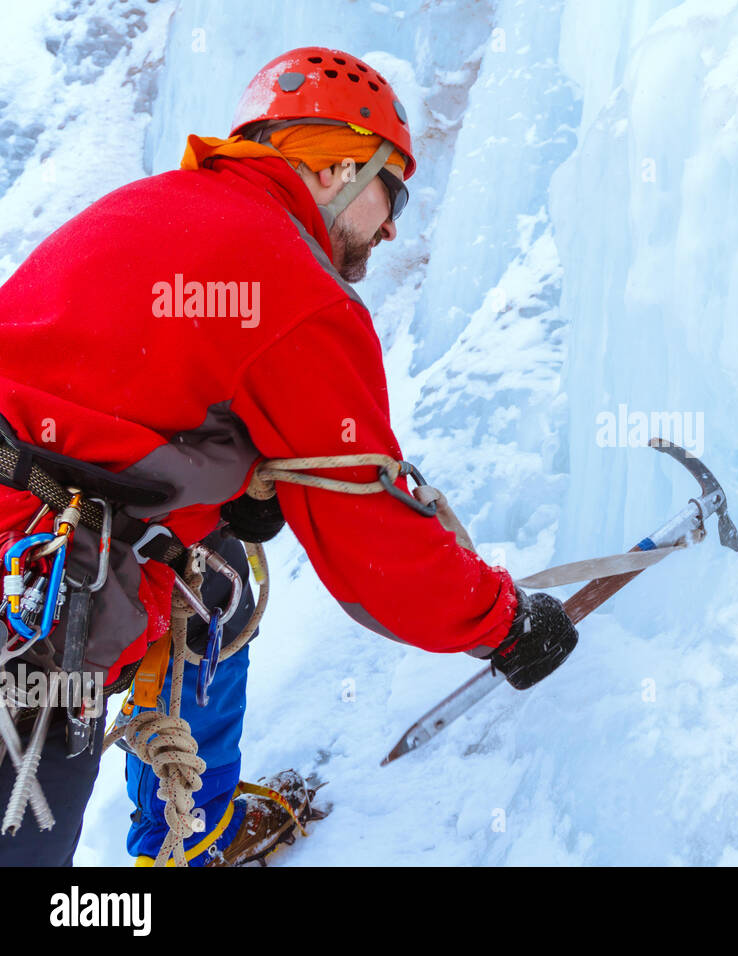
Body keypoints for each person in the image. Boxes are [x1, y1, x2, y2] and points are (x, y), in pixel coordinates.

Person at [0, 47, 577, 867]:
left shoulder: (155, 204)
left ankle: (193, 826)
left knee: (218, 575)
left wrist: (212, 474)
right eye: (391, 190)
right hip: (30, 596)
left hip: (36, 524)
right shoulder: (294, 285)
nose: (390, 226)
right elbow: (375, 541)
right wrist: (503, 624)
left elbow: (100, 387)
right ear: (340, 162)